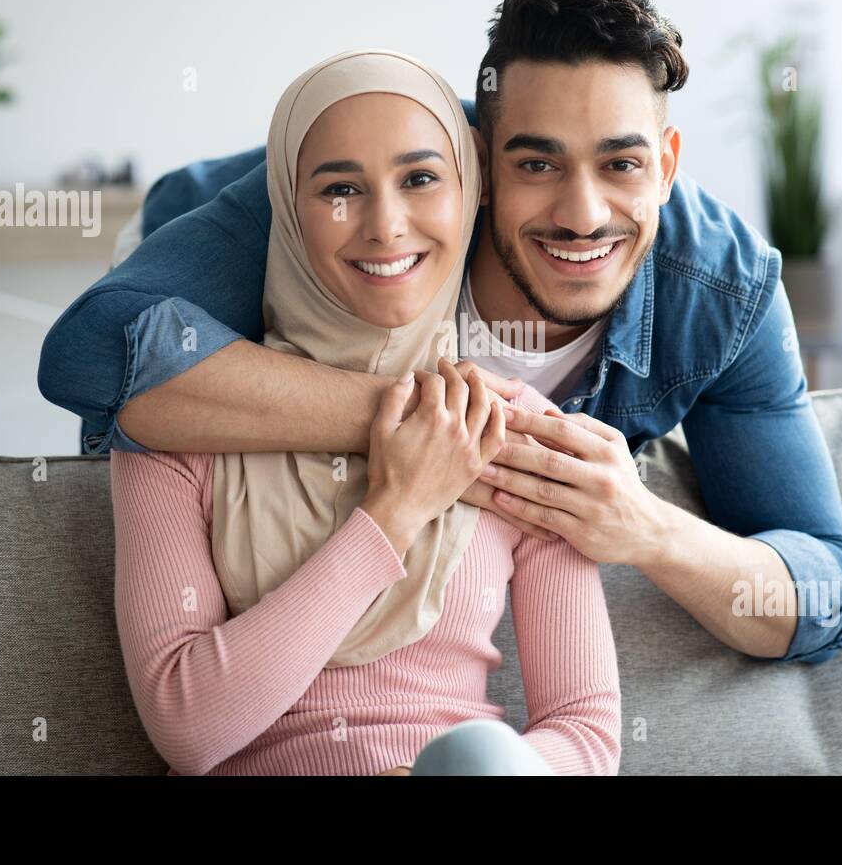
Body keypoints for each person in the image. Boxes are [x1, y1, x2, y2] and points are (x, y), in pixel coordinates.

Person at [42, 0, 842, 665]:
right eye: (537, 164)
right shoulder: (374, 192)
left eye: (622, 164)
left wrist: (645, 529)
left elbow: (824, 590)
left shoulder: (725, 290)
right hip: (180, 232)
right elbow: (89, 357)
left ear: (668, 165)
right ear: (477, 158)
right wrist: (461, 430)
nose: (583, 215)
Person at [110, 49, 620, 775]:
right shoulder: (176, 426)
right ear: (289, 207)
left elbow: (586, 734)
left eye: (419, 179)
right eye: (341, 188)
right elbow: (188, 729)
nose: (385, 225)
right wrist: (397, 509)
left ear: (470, 186)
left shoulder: (517, 431)